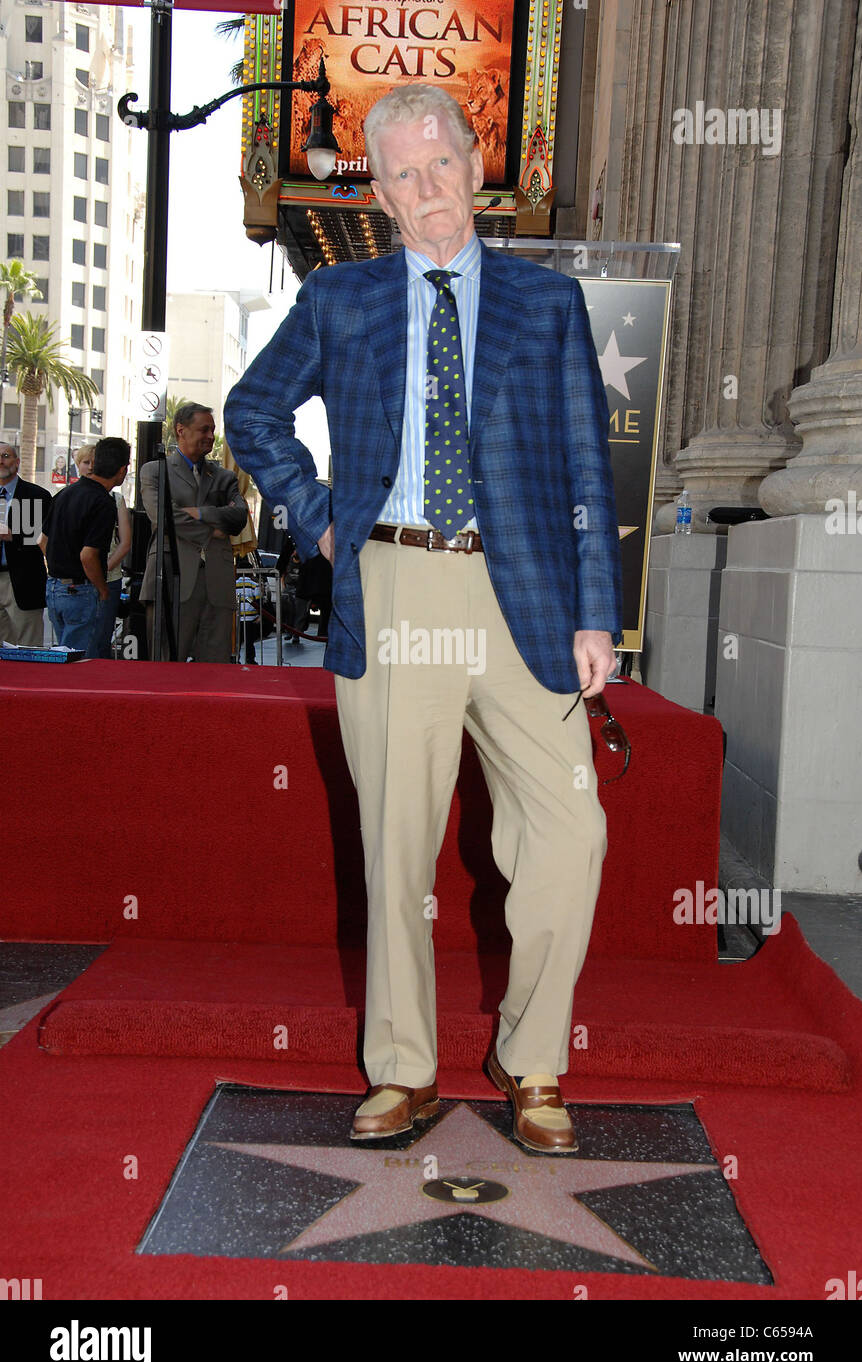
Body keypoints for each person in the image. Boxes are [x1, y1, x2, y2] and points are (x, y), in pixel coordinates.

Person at [224, 85, 623, 1153]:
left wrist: (598, 614)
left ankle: (529, 1056)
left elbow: (586, 462)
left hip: (525, 595)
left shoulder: (545, 306)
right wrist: (317, 519)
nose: (423, 190)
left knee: (570, 830)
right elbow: (251, 411)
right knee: (395, 846)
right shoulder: (340, 299)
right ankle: (401, 1069)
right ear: (381, 195)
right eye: (399, 175)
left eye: (437, 165)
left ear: (473, 165)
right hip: (394, 586)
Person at [139, 404, 248, 663]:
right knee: (166, 669)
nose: (211, 436)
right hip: (170, 579)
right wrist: (214, 528)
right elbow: (164, 517)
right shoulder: (155, 471)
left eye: (212, 429)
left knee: (215, 672)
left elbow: (239, 516)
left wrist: (200, 513)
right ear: (181, 431)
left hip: (217, 584)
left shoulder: (224, 477)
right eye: (204, 429)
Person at [39, 437, 130, 656]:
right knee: (82, 660)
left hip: (55, 587)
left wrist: (61, 568)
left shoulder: (64, 494)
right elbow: (88, 555)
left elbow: (43, 541)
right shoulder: (103, 502)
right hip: (81, 589)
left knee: (66, 655)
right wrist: (102, 588)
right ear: (122, 471)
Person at [75, 444, 131, 658]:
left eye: (93, 462)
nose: (90, 467)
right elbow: (45, 541)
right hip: (78, 580)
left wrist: (102, 570)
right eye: (86, 462)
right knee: (79, 647)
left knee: (100, 641)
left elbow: (125, 542)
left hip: (108, 577)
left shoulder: (115, 500)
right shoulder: (67, 495)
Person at [0, 442, 52, 647]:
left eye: (6, 455)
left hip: (22, 581)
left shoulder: (35, 495)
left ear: (17, 462)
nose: (1, 460)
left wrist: (12, 535)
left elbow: (43, 540)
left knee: (28, 646)